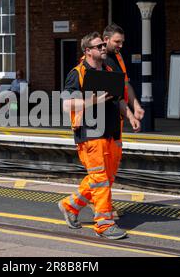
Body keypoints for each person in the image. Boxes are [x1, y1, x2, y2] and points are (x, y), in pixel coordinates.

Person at [58, 32, 140, 240]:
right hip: (90, 133)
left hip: (112, 132)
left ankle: (70, 205)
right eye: (99, 46)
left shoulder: (109, 70)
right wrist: (92, 100)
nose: (104, 48)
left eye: (104, 45)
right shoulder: (77, 74)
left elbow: (118, 99)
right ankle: (103, 224)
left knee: (106, 178)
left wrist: (130, 116)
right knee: (100, 178)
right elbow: (67, 104)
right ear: (87, 51)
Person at [103, 23, 145, 121]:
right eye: (117, 41)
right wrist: (130, 116)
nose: (121, 45)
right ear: (106, 39)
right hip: (100, 121)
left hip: (116, 119)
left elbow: (125, 83)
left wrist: (136, 107)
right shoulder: (97, 60)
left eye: (122, 42)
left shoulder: (118, 56)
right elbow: (112, 95)